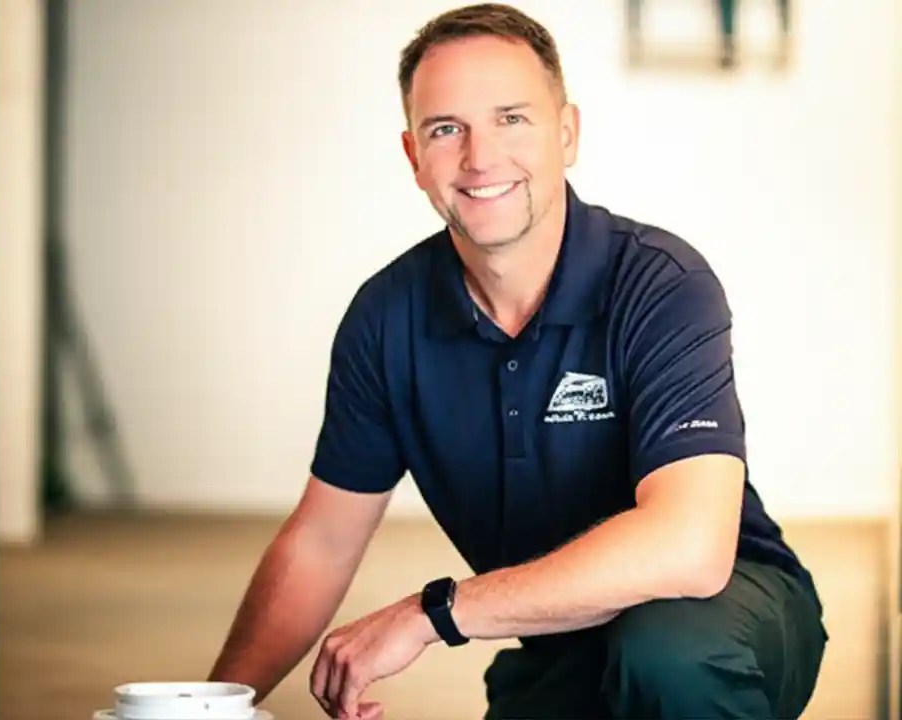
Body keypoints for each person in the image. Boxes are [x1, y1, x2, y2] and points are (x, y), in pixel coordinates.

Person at [206, 4, 827, 718]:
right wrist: (208, 706)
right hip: (564, 638)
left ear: (567, 133)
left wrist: (431, 614)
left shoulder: (659, 284)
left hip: (728, 615)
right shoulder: (387, 318)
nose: (480, 157)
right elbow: (323, 539)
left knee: (666, 655)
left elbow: (689, 547)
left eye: (511, 118)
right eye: (446, 129)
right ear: (413, 157)